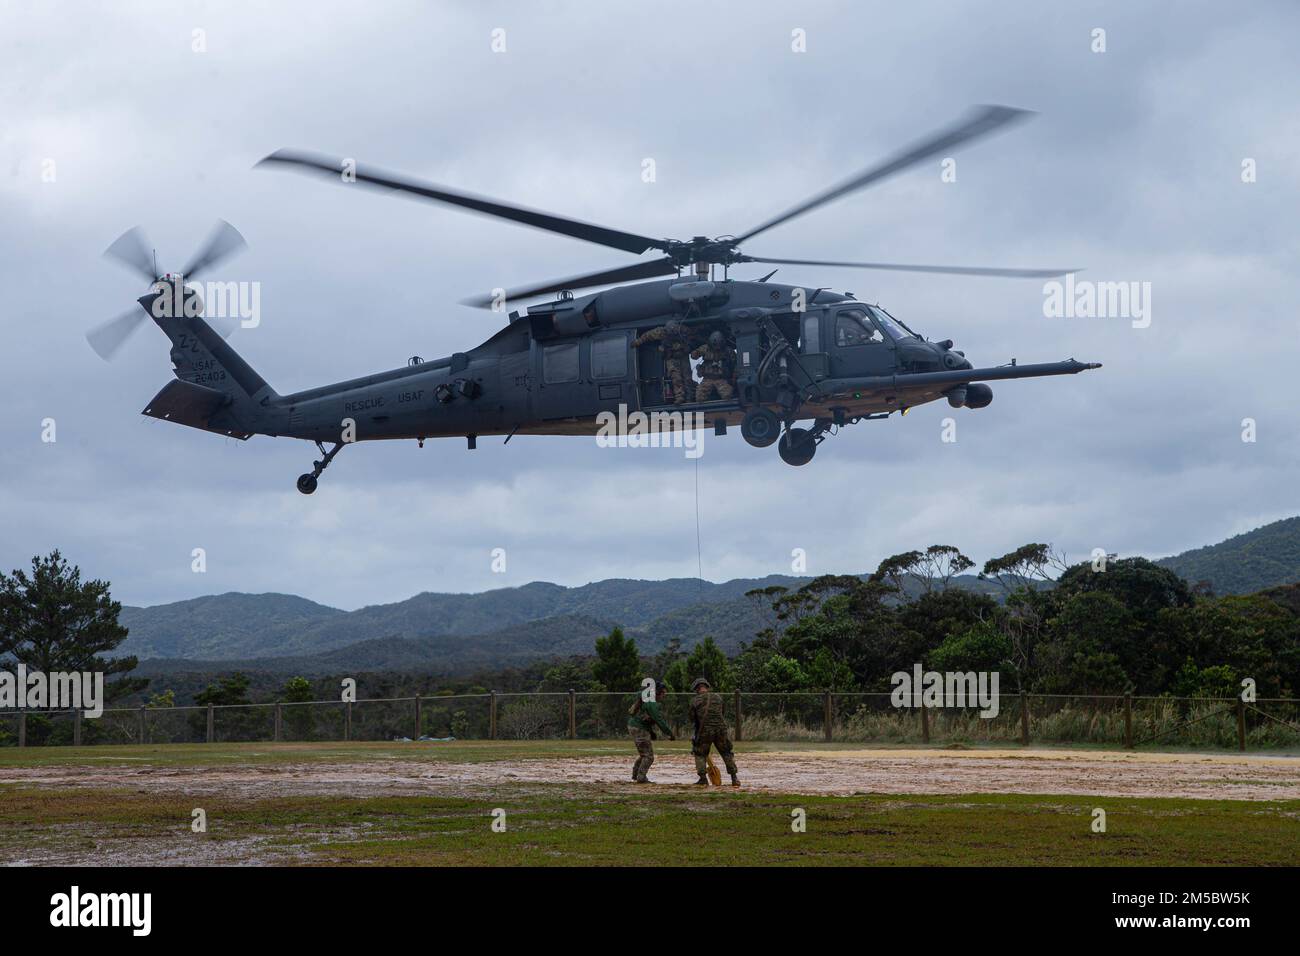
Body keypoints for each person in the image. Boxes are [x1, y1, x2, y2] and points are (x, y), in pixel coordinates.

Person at [688, 676, 739, 786]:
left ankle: (703, 778)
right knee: (726, 752)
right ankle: (734, 778)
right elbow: (722, 713)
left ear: (697, 689)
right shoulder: (718, 698)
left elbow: (692, 718)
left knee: (700, 753)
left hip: (704, 731)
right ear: (707, 687)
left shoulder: (695, 700)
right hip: (721, 730)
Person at [633, 319, 696, 404]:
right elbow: (647, 336)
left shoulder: (683, 329)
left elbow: (693, 335)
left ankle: (690, 398)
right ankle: (680, 397)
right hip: (671, 357)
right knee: (676, 377)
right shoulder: (661, 332)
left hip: (683, 356)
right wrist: (637, 342)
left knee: (687, 378)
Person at [627, 678, 675, 783]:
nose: (664, 696)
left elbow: (647, 719)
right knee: (649, 757)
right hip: (639, 728)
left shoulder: (646, 697)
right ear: (657, 692)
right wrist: (670, 734)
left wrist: (651, 732)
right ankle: (641, 777)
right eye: (663, 694)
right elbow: (659, 720)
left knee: (644, 754)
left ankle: (636, 775)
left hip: (636, 726)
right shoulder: (651, 703)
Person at [690, 330, 735, 401]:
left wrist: (733, 378)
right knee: (700, 397)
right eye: (715, 345)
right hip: (707, 379)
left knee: (727, 395)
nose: (717, 348)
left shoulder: (728, 351)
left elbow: (734, 365)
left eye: (719, 345)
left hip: (721, 379)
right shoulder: (705, 348)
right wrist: (696, 353)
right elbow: (693, 356)